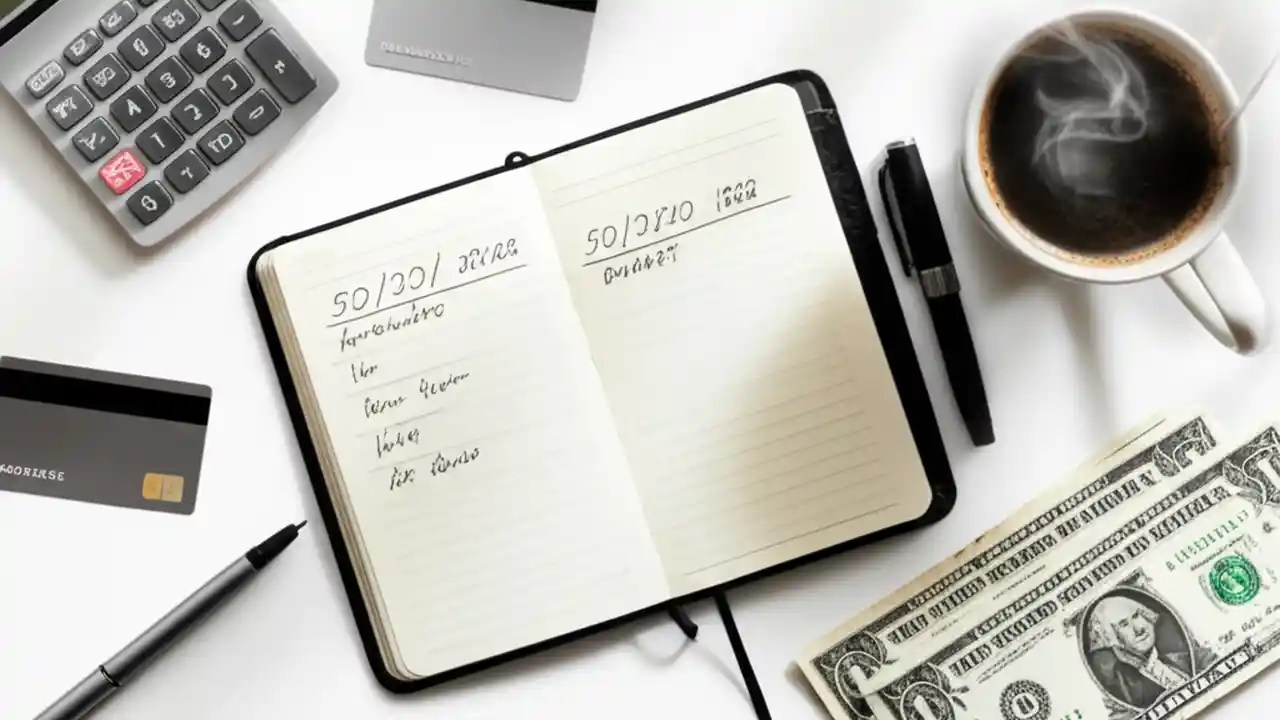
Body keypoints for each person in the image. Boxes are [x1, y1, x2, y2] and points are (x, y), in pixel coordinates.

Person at [1087, 595, 1192, 708]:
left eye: (1136, 616)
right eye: (1124, 624)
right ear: (1112, 637)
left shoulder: (1181, 652)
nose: (1139, 629)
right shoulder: (1124, 686)